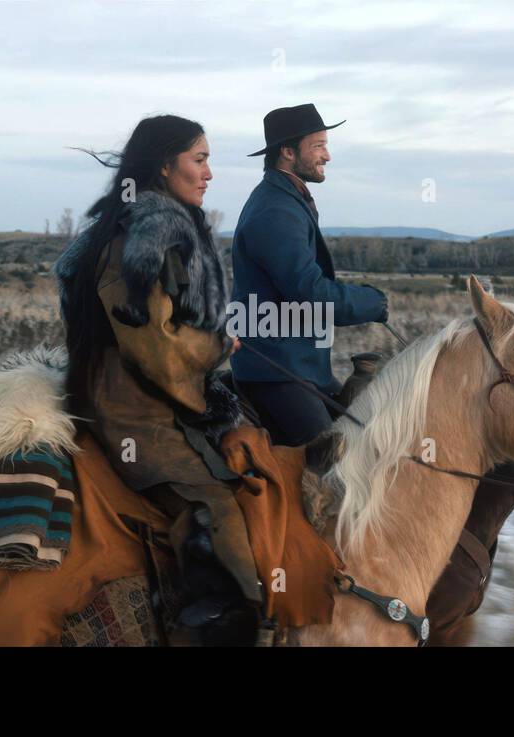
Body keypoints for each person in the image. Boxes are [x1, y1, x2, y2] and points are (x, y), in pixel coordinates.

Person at [53, 115, 259, 645]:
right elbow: (155, 349)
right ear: (165, 166)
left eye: (209, 159)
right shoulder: (134, 245)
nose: (209, 173)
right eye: (199, 159)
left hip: (154, 399)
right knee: (213, 508)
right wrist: (215, 348)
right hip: (131, 410)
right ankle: (211, 623)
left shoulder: (157, 230)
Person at [229, 104, 389, 446]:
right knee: (336, 471)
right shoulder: (275, 210)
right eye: (318, 146)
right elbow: (311, 294)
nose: (327, 156)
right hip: (275, 371)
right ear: (288, 153)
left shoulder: (286, 199)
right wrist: (372, 303)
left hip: (298, 366)